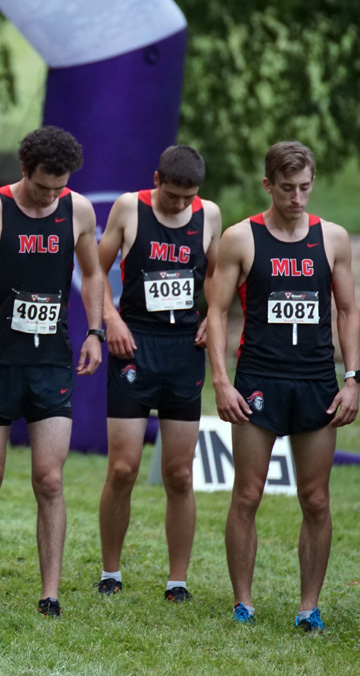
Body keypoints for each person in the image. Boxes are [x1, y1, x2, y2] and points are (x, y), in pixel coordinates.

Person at [0, 126, 104, 617]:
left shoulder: (78, 209)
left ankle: (50, 593)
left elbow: (94, 272)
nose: (51, 196)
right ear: (24, 171)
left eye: (60, 187)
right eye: (42, 187)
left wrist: (95, 330)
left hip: (50, 361)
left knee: (49, 480)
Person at [206, 141, 359, 631]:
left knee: (315, 499)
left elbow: (349, 311)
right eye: (287, 188)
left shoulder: (333, 238)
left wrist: (353, 379)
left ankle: (308, 605)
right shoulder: (240, 239)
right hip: (258, 381)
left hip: (316, 382)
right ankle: (243, 602)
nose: (297, 197)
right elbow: (216, 312)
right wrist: (221, 382)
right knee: (247, 494)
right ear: (268, 185)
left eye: (305, 188)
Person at [94, 145, 221, 602]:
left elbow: (216, 275)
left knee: (180, 474)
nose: (181, 206)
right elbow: (96, 271)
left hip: (184, 351)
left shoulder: (209, 214)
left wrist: (214, 315)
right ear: (156, 180)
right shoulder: (130, 207)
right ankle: (111, 570)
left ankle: (177, 580)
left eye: (189, 198)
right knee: (124, 468)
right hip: (135, 346)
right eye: (172, 197)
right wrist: (111, 319)